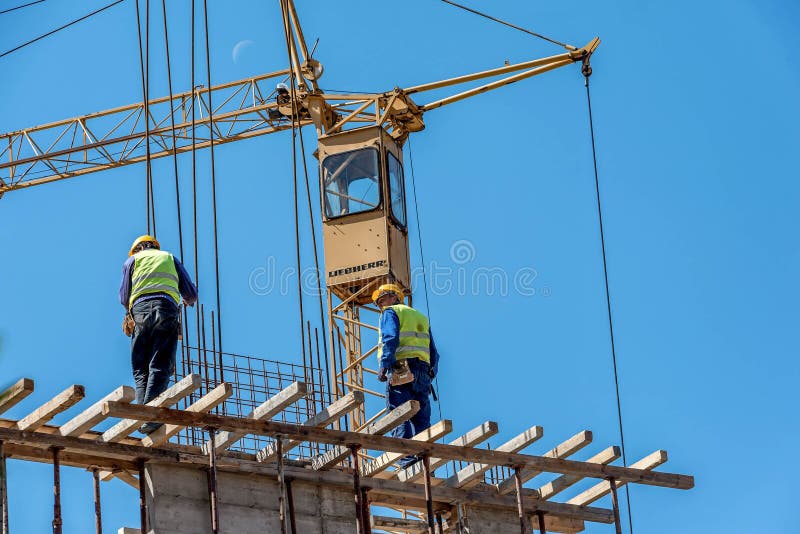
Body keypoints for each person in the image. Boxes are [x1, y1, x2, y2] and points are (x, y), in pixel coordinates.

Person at [119, 235, 197, 434]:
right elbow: (190, 293)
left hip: (140, 314)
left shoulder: (131, 261)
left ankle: (144, 416)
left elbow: (123, 296)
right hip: (165, 310)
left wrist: (130, 311)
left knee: (140, 369)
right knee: (160, 366)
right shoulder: (169, 258)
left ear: (137, 249)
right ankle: (150, 416)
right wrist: (188, 299)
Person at [373, 283, 440, 467]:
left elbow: (390, 338)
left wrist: (384, 365)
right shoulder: (420, 317)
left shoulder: (391, 312)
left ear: (394, 297)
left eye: (382, 299)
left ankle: (407, 461)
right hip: (423, 372)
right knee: (421, 419)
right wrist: (429, 373)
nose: (380, 304)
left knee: (398, 413)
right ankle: (424, 463)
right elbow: (434, 352)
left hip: (402, 368)